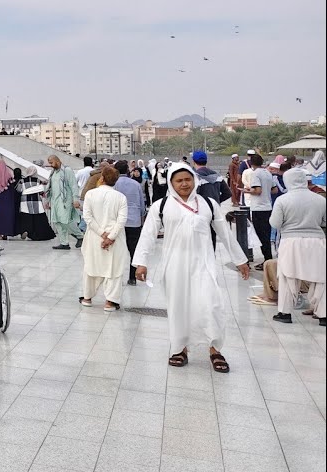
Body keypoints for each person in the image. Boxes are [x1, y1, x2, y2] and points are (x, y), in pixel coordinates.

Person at [134, 163, 250, 373]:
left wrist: (240, 259)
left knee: (212, 305)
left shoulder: (208, 204)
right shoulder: (161, 206)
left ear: (194, 180)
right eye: (179, 180)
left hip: (204, 264)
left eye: (188, 179)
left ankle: (215, 349)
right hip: (175, 266)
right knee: (179, 308)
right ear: (171, 183)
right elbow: (148, 235)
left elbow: (225, 233)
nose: (184, 184)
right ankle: (180, 349)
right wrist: (141, 262)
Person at [269, 168, 326, 325]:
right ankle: (323, 315)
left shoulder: (282, 200)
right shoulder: (320, 200)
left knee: (288, 278)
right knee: (320, 279)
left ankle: (285, 313)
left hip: (291, 242)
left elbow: (275, 223)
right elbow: (324, 222)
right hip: (317, 242)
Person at [81, 167, 129, 312]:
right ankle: (110, 302)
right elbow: (122, 220)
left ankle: (87, 298)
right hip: (115, 240)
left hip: (95, 237)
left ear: (101, 178)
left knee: (91, 266)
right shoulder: (121, 197)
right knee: (114, 269)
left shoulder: (90, 194)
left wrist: (102, 234)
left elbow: (87, 217)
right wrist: (110, 237)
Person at [112, 160, 147, 286]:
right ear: (127, 170)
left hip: (117, 222)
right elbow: (142, 204)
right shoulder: (135, 184)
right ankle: (132, 278)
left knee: (116, 251)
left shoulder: (113, 184)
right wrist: (142, 217)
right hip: (134, 221)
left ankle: (116, 277)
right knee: (133, 250)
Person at [241, 153, 276, 268]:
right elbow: (274, 190)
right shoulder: (268, 173)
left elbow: (258, 191)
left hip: (258, 208)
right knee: (266, 234)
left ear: (251, 163)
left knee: (261, 236)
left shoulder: (255, 174)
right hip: (268, 207)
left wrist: (246, 191)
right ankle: (268, 258)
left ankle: (267, 260)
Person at [45, 155, 82, 250]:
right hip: (55, 201)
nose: (51, 165)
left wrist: (75, 199)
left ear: (57, 161)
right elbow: (50, 188)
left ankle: (80, 236)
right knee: (57, 221)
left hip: (65, 200)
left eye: (52, 163)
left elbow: (74, 185)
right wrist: (47, 201)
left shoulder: (67, 170)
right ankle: (64, 243)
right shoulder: (53, 173)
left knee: (66, 221)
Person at [18, 166, 53, 241]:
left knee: (26, 217)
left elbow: (19, 190)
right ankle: (38, 234)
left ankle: (26, 230)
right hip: (36, 201)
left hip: (25, 201)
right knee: (38, 217)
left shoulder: (22, 181)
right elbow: (41, 191)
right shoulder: (38, 181)